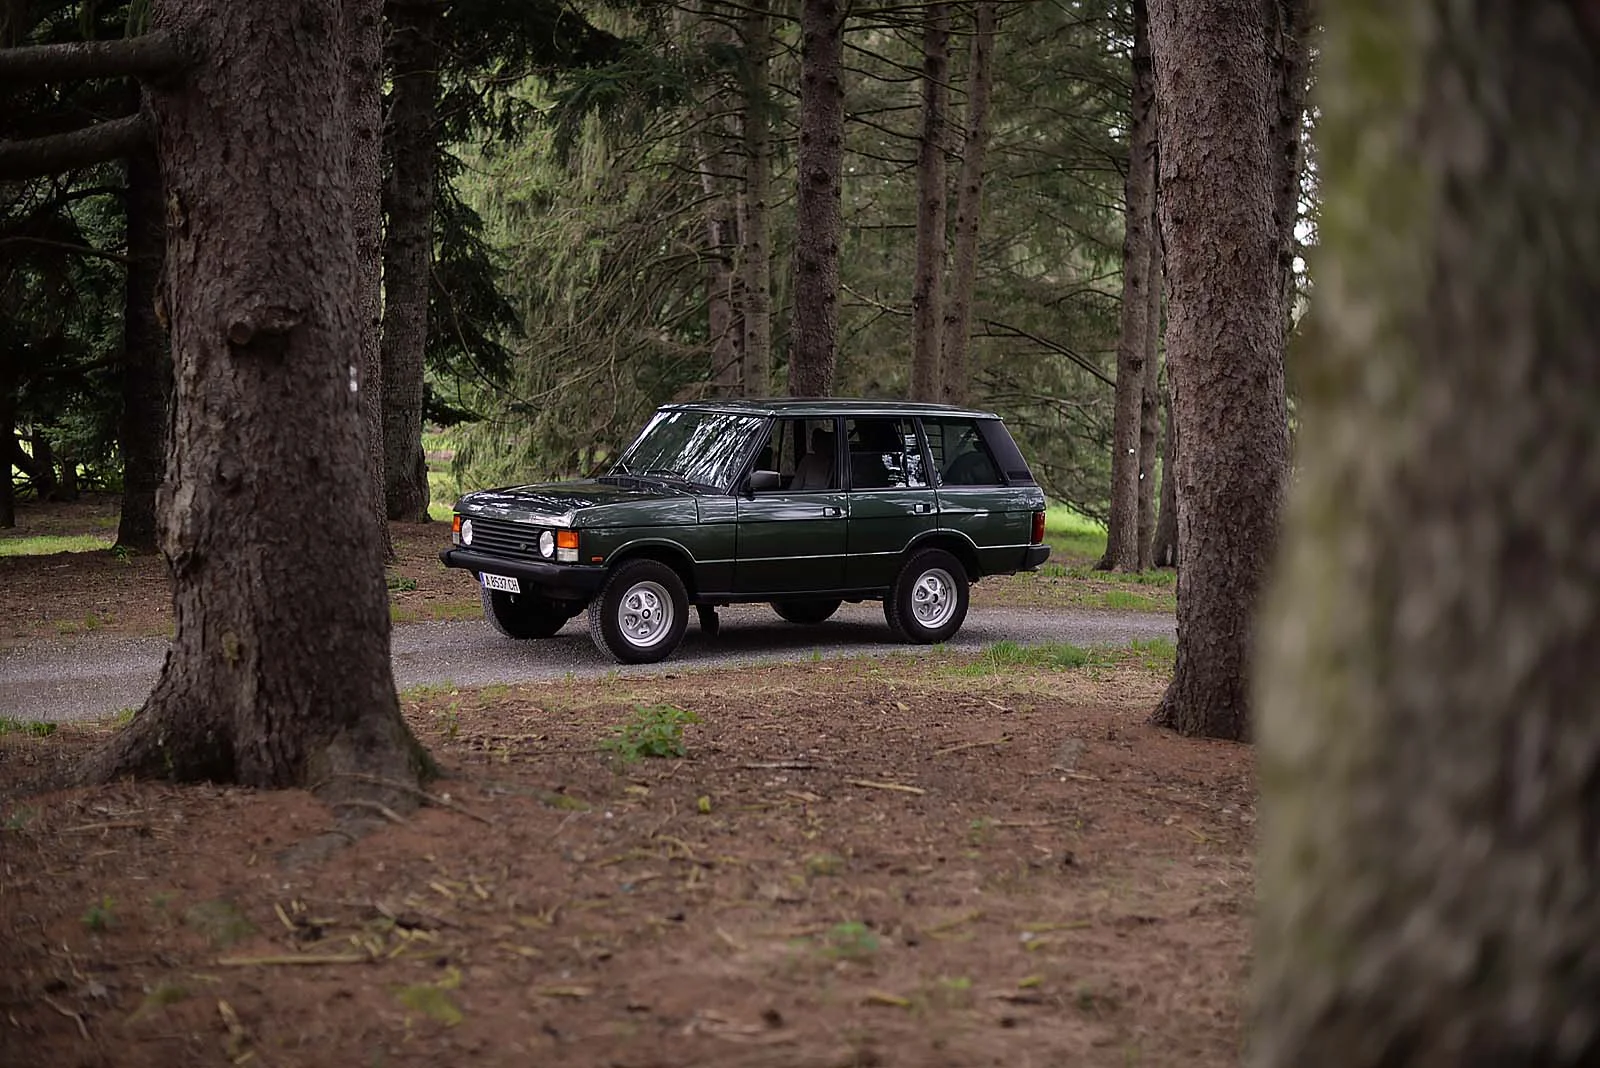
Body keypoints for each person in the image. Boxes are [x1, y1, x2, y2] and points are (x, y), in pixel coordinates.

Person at [791, 426, 835, 491]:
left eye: (817, 441)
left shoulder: (836, 464)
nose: (812, 443)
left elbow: (795, 487)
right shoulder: (807, 460)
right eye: (813, 440)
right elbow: (795, 486)